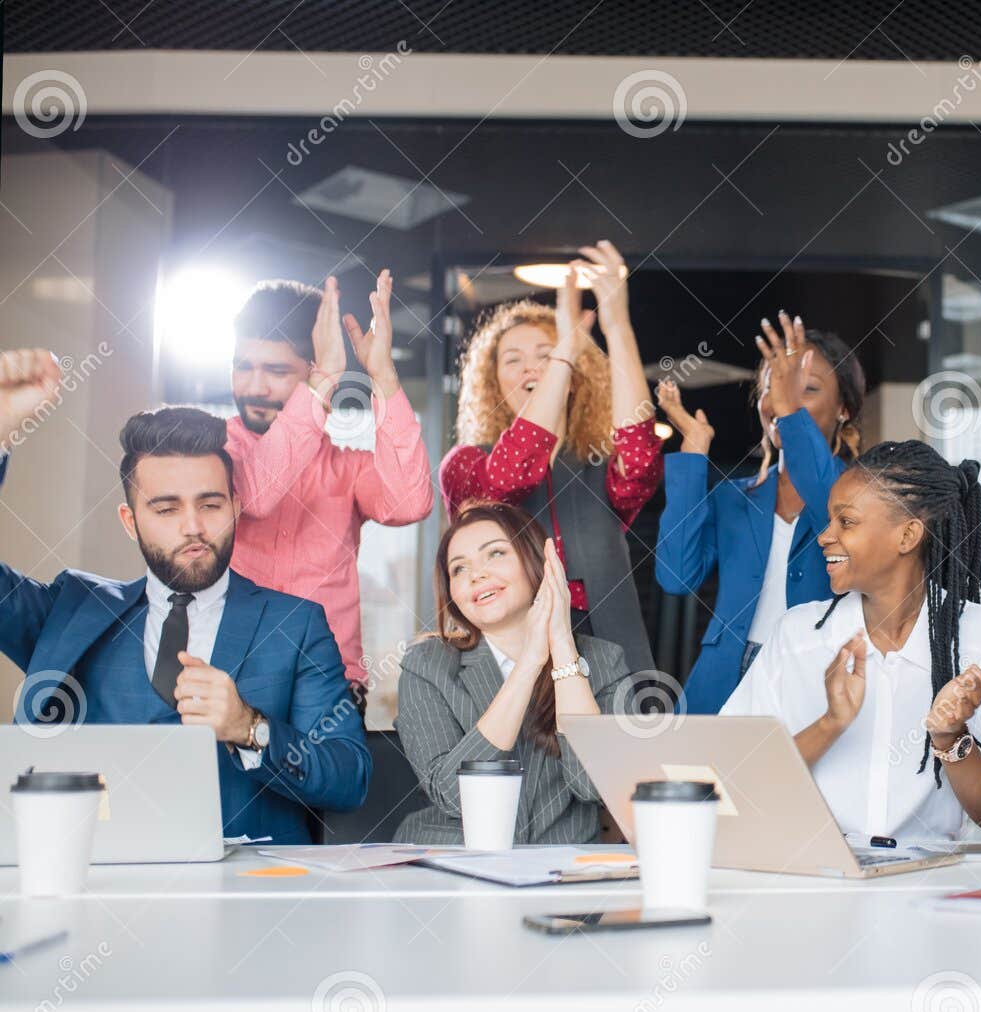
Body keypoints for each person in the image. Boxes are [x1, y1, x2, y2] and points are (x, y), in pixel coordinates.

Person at [723, 440, 981, 1012]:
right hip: (823, 907)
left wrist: (950, 737)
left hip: (940, 907)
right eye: (828, 519)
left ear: (907, 534)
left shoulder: (980, 635)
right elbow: (743, 782)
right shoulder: (799, 635)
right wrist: (833, 722)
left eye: (846, 521)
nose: (824, 537)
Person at [0, 395, 369, 845]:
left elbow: (349, 777)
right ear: (130, 520)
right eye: (167, 508)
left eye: (210, 505)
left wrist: (250, 728)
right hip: (105, 890)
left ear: (235, 507)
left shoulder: (296, 625)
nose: (193, 526)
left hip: (252, 900)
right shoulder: (72, 609)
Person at [440, 242, 663, 674]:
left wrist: (617, 328)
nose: (531, 368)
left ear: (579, 372)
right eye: (514, 360)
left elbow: (640, 463)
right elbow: (511, 478)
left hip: (609, 648)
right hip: (515, 651)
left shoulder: (599, 462)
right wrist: (562, 352)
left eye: (544, 355)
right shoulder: (467, 464)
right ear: (493, 381)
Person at [227, 270, 434, 712]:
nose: (254, 386)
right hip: (230, 680)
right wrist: (321, 385)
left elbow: (411, 502)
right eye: (243, 366)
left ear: (312, 367)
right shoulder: (215, 450)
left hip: (329, 685)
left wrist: (384, 378)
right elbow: (258, 495)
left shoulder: (346, 468)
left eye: (277, 370)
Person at [655, 311, 864, 712]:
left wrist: (790, 410)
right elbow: (676, 576)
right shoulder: (734, 496)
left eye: (807, 389)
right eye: (773, 387)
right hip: (721, 685)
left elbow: (829, 502)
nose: (780, 402)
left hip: (818, 683)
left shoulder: (864, 492)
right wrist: (693, 456)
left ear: (844, 409)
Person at [394, 501, 635, 847]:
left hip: (559, 872)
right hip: (450, 863)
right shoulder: (425, 664)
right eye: (459, 569)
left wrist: (562, 645)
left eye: (495, 554)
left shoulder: (604, 660)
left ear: (537, 562)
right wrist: (529, 663)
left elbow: (595, 786)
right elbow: (452, 794)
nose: (476, 574)